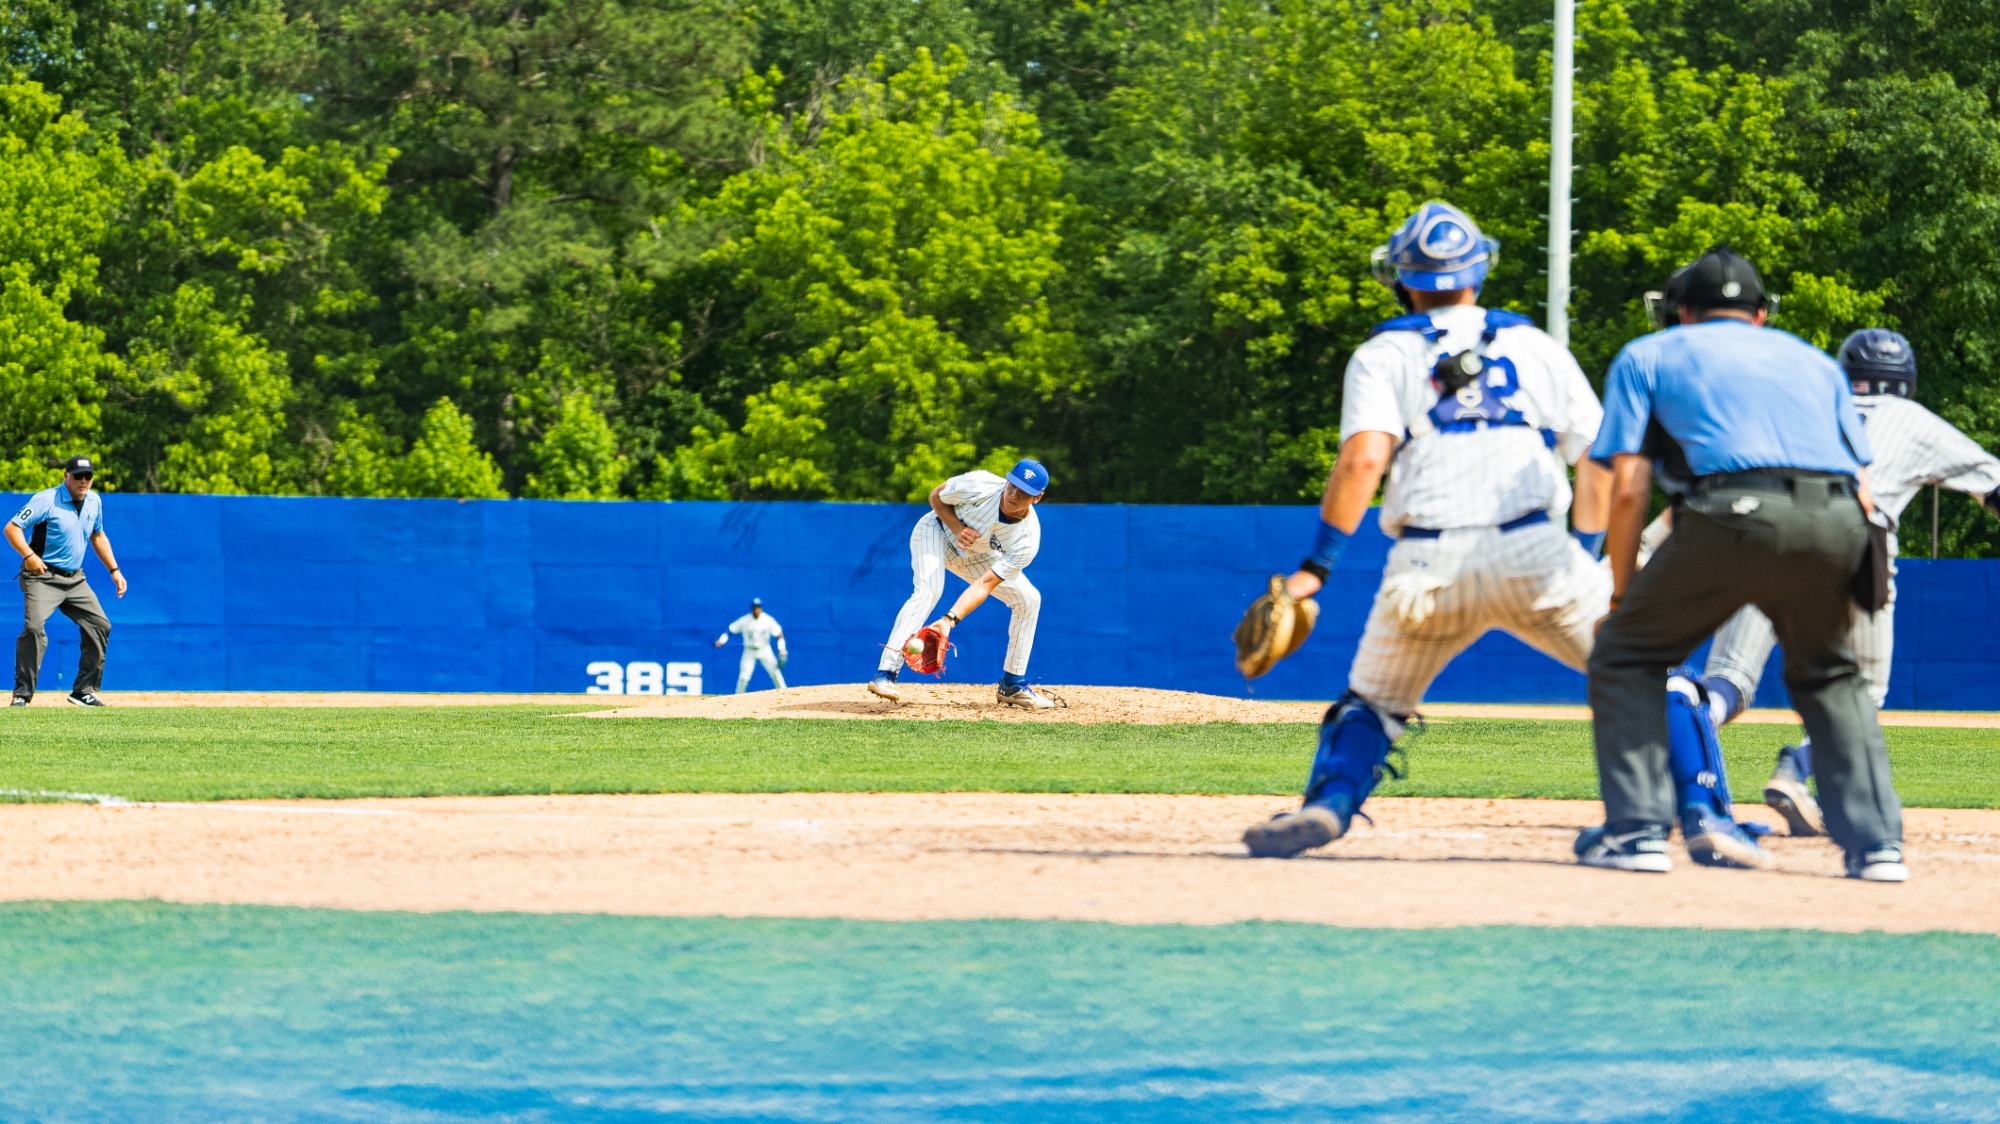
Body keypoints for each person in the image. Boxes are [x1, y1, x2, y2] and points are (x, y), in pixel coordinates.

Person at [1242, 202, 1613, 858]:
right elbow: (1600, 460)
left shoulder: (1383, 353)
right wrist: (1580, 557)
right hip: (1536, 549)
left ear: (1400, 278)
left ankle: (1328, 805)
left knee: (1371, 703)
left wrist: (1316, 568)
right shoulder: (1534, 346)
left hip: (1426, 564)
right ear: (1480, 271)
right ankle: (1705, 812)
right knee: (1653, 678)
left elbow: (1363, 460)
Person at [1581, 248, 1908, 882]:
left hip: (1729, 512)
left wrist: (1622, 596)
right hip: (1835, 516)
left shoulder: (1649, 355)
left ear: (1682, 311)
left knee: (1625, 654)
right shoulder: (1814, 362)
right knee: (1830, 674)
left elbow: (1627, 486)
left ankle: (1638, 832)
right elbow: (1864, 489)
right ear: (1760, 314)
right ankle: (1877, 847)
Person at [1689, 329, 2000, 836]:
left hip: (1764, 534)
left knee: (1728, 681)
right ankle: (1796, 768)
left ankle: (1673, 760)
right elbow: (1994, 485)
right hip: (1854, 544)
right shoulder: (1912, 419)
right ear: (1905, 380)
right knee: (1862, 695)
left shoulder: (1803, 406)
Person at [868, 459, 1053, 709]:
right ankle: (885, 673)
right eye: (1013, 485)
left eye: (1024, 492)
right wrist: (957, 528)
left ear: (1037, 498)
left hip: (976, 555)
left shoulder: (1027, 540)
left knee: (1029, 600)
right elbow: (936, 496)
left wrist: (948, 621)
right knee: (928, 592)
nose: (1014, 494)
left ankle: (1012, 684)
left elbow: (985, 583)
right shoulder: (980, 484)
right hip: (936, 532)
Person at [7, 456, 126, 707]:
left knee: (100, 625)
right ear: (66, 476)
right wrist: (28, 556)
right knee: (34, 629)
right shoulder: (46, 500)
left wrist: (114, 570)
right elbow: (12, 528)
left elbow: (98, 536)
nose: (83, 481)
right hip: (42, 576)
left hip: (75, 579)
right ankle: (22, 695)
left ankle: (83, 691)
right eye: (78, 476)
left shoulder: (94, 501)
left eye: (88, 476)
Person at [714, 598, 787, 693]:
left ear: (761, 608)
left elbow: (779, 634)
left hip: (764, 649)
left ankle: (785, 694)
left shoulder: (767, 620)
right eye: (754, 607)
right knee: (744, 677)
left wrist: (782, 649)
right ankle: (738, 697)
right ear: (751, 608)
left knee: (775, 673)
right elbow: (730, 630)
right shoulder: (745, 620)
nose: (756, 609)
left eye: (758, 607)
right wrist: (722, 640)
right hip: (749, 651)